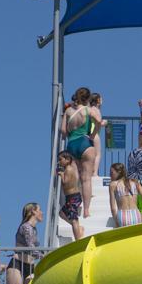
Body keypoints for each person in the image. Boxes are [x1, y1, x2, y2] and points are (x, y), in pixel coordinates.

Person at [61, 87, 104, 217]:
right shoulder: (89, 110)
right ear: (88, 99)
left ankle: (74, 205)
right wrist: (93, 135)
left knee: (76, 178)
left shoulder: (68, 111)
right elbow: (99, 121)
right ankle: (86, 210)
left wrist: (70, 134)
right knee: (86, 179)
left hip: (72, 144)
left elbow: (63, 131)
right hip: (85, 143)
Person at [5, 203, 42, 284]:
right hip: (17, 265)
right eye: (39, 210)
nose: (41, 213)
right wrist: (45, 256)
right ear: (33, 212)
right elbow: (30, 247)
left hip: (30, 266)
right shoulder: (26, 227)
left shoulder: (34, 229)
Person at [57, 151, 84, 240]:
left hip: (73, 197)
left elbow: (66, 183)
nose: (59, 162)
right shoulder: (69, 168)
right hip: (70, 197)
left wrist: (61, 175)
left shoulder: (68, 169)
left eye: (60, 159)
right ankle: (78, 228)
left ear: (67, 160)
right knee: (61, 213)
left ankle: (78, 238)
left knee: (74, 219)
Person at [89, 93, 107, 172]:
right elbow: (99, 122)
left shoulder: (89, 109)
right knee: (97, 154)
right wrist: (104, 123)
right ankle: (95, 172)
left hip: (89, 132)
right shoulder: (96, 109)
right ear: (98, 100)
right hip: (95, 133)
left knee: (90, 155)